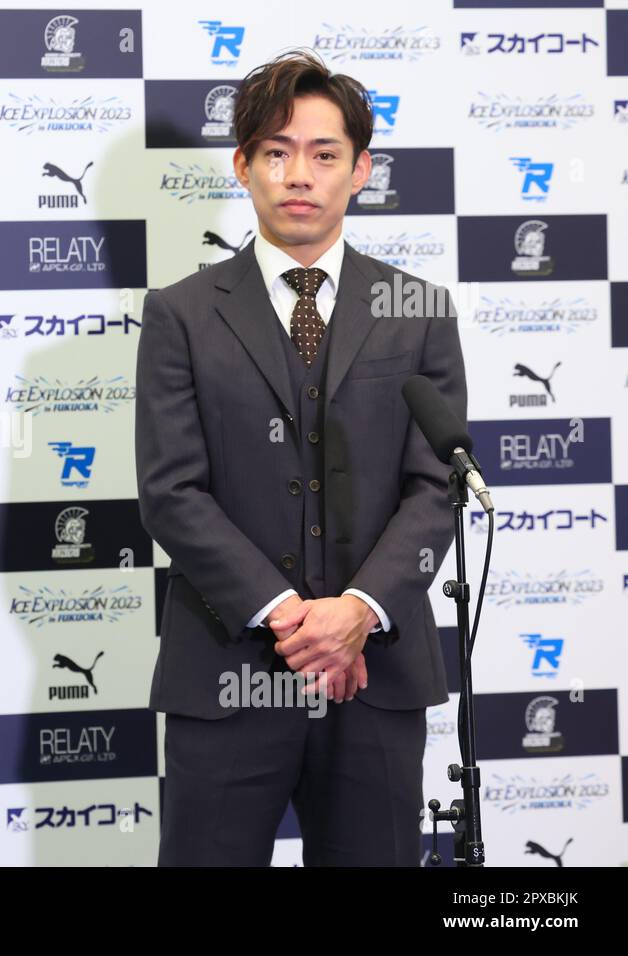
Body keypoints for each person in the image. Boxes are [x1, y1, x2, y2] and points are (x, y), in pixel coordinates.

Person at [135, 50, 466, 866]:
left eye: (325, 155)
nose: (300, 175)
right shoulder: (180, 313)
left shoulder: (417, 311)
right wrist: (295, 619)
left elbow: (437, 487)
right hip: (226, 674)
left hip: (376, 675)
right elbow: (172, 490)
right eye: (277, 152)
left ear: (361, 171)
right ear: (243, 166)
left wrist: (356, 612)